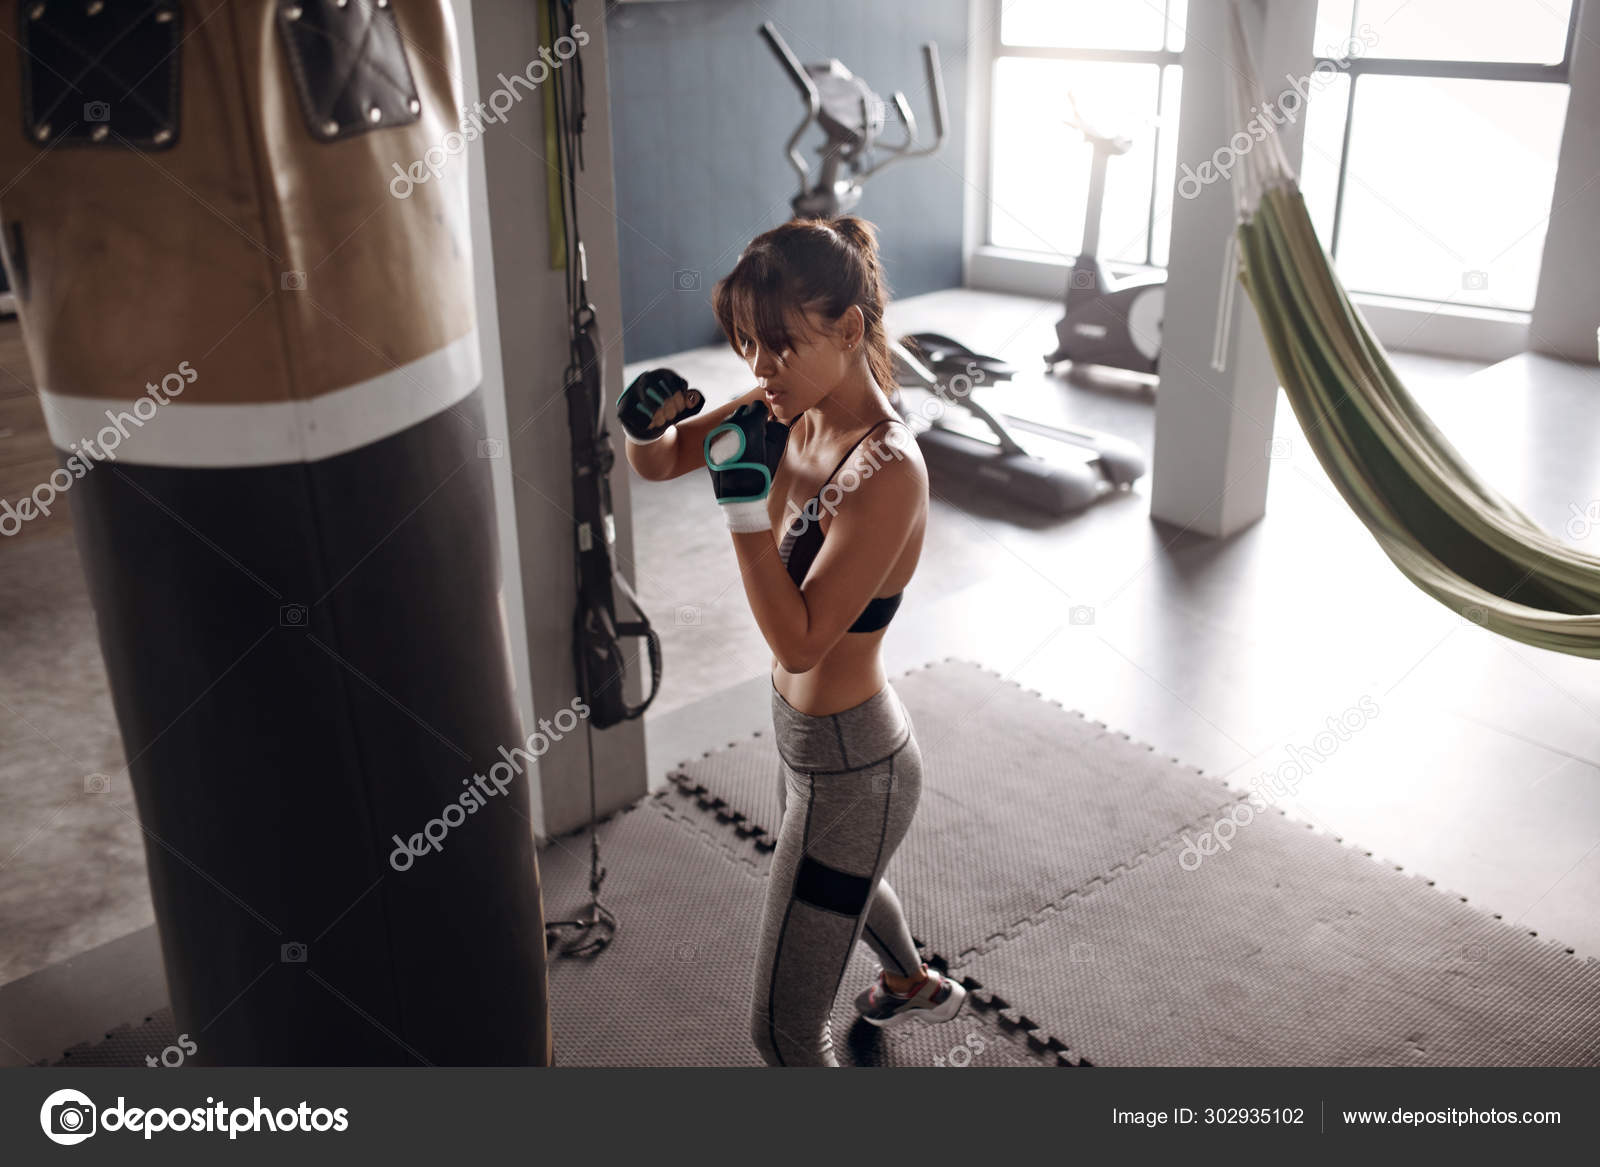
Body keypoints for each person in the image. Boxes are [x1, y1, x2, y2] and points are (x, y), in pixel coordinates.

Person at [618, 215, 966, 1066]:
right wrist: (641, 425)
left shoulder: (890, 471)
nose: (758, 369)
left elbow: (803, 640)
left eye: (778, 346)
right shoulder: (785, 407)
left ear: (849, 329)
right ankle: (912, 985)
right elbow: (663, 462)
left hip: (858, 765)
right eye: (746, 346)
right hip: (805, 740)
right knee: (834, 880)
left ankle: (906, 987)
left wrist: (742, 514)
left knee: (781, 1035)